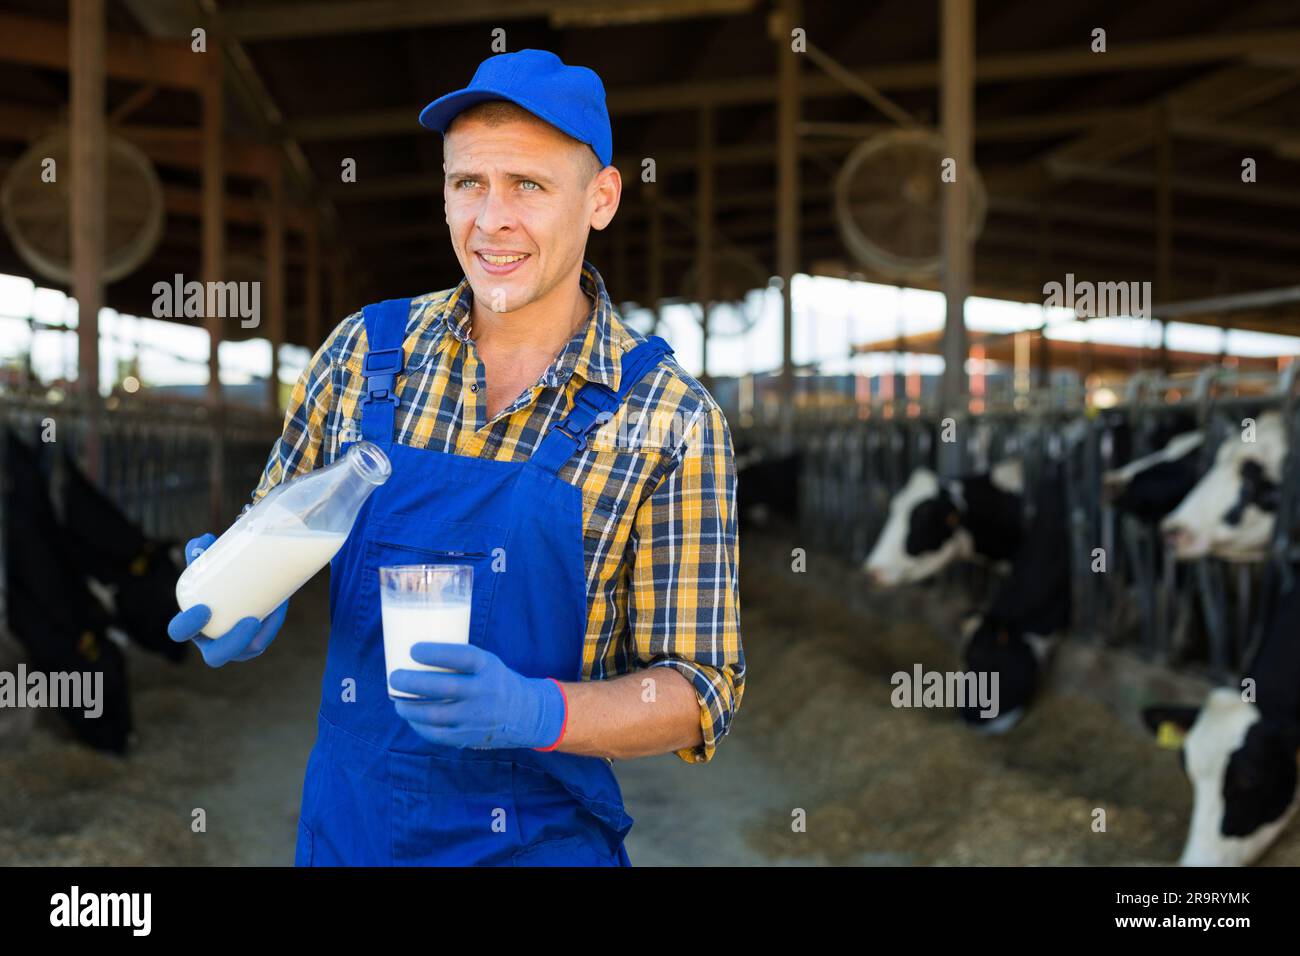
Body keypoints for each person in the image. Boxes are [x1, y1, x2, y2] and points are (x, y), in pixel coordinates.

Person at [168, 49, 745, 866]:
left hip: (541, 842)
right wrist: (241, 598)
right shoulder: (362, 355)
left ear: (602, 199)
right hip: (352, 832)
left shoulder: (671, 418)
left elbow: (700, 689)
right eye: (468, 183)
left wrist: (539, 713)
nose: (491, 219)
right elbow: (270, 535)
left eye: (529, 186)